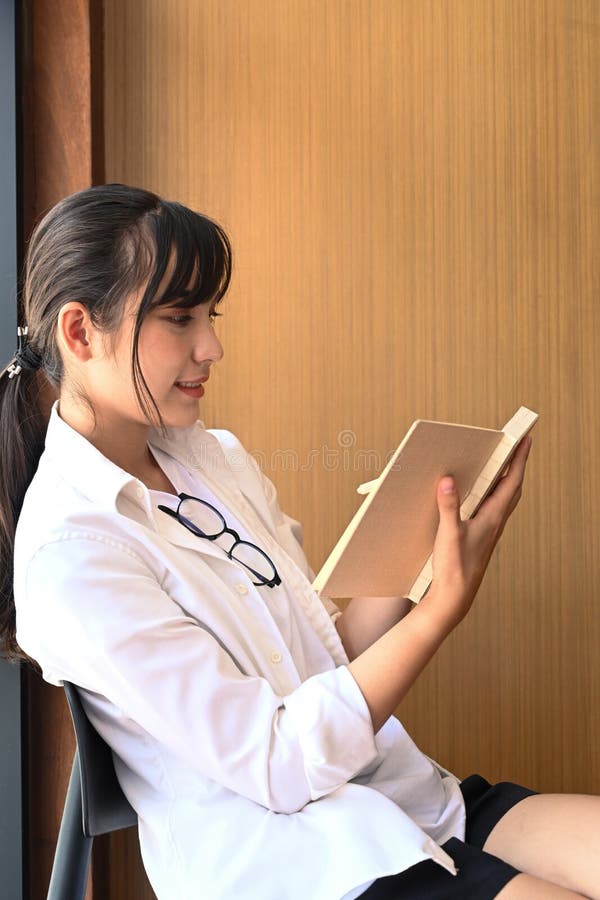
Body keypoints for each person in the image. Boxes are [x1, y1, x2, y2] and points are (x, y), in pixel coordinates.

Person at [0, 184, 598, 900]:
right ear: (80, 333)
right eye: (180, 317)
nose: (211, 346)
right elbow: (279, 763)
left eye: (210, 315)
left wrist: (409, 562)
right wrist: (443, 613)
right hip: (299, 865)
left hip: (397, 801)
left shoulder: (210, 458)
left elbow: (323, 668)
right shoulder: (72, 554)